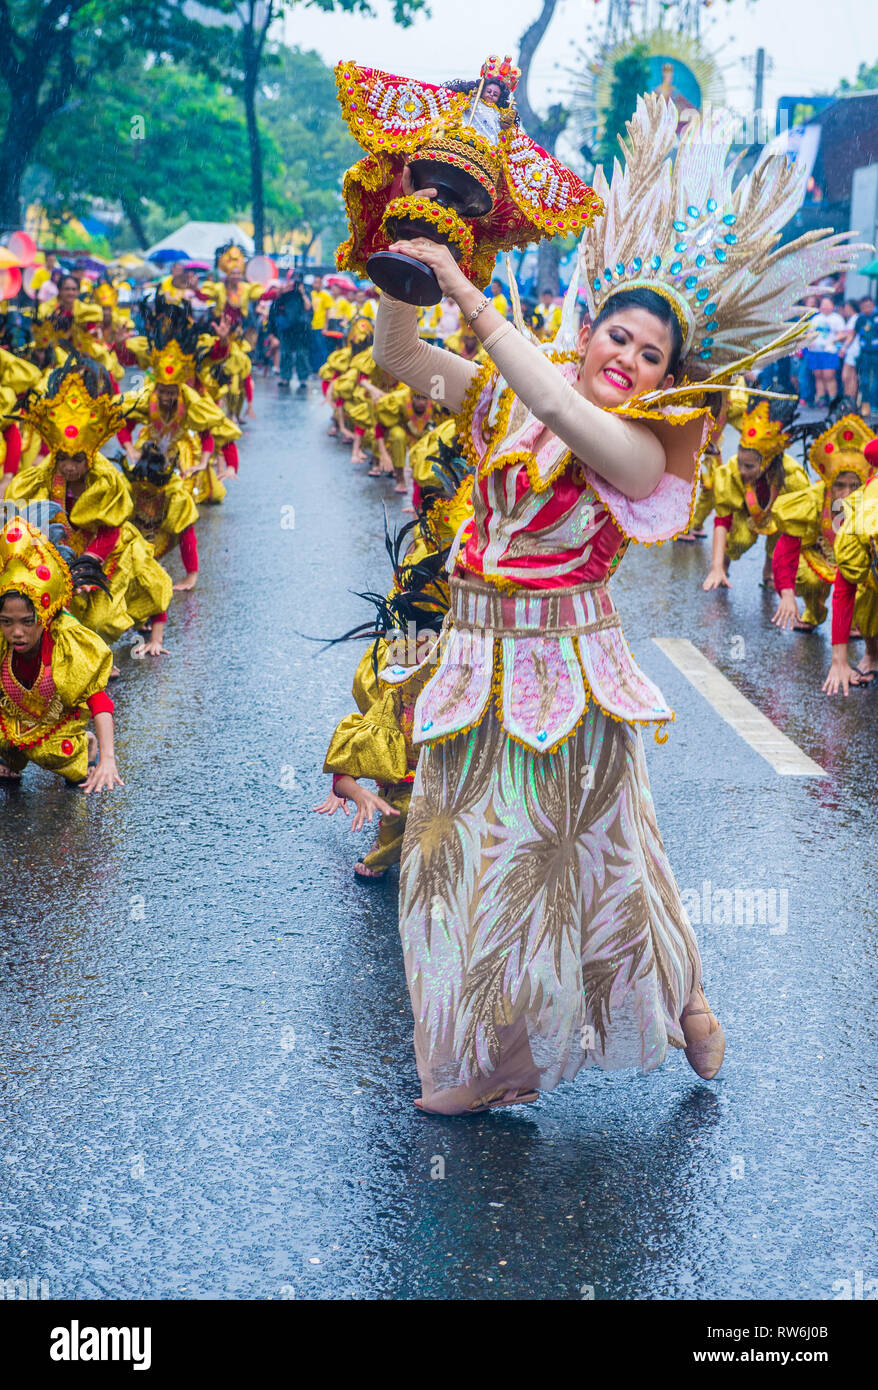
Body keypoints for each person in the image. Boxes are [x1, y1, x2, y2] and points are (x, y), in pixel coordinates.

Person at [360, 92, 863, 1116]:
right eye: (613, 337)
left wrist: (467, 288)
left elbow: (554, 403)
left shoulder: (636, 450)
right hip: (471, 661)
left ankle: (547, 1051)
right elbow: (399, 359)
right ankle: (565, 1028)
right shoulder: (506, 388)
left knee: (575, 862)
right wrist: (413, 249)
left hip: (563, 679)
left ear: (665, 379)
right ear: (587, 328)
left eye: (646, 356)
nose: (621, 360)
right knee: (450, 854)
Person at [0, 512, 122, 791]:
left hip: (57, 722)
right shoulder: (2, 638)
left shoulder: (65, 640)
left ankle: (85, 746)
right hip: (14, 715)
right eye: (7, 622)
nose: (16, 632)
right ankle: (9, 753)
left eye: (27, 622)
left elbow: (100, 702)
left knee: (55, 754)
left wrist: (108, 759)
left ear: (46, 617)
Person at [771, 413, 876, 634]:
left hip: (860, 566)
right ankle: (814, 610)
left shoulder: (871, 501)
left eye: (853, 486)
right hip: (819, 558)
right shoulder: (813, 499)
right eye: (840, 485)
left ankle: (861, 621)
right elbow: (786, 548)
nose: (846, 493)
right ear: (829, 483)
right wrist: (787, 594)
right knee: (806, 577)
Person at [702, 398, 809, 591]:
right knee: (738, 539)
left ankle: (770, 571)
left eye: (749, 466)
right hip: (745, 515)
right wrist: (715, 566)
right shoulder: (733, 470)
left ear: (767, 462)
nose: (741, 469)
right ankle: (723, 567)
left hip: (777, 518)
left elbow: (799, 523)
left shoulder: (792, 476)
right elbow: (722, 520)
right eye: (741, 462)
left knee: (781, 536)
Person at [823, 448, 878, 694]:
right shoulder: (861, 519)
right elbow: (844, 587)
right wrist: (839, 660)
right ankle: (874, 653)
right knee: (865, 596)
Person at [267, 274, 312, 390]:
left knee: (301, 354)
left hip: (301, 329)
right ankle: (285, 377)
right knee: (285, 353)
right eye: (294, 280)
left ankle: (303, 379)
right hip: (286, 329)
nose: (295, 283)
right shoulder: (285, 292)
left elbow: (308, 307)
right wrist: (283, 291)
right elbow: (274, 310)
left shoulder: (306, 292)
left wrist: (302, 293)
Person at [805, 295, 845, 407]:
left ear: (833, 306)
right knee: (818, 375)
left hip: (830, 351)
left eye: (828, 304)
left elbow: (842, 334)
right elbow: (810, 332)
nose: (825, 307)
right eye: (823, 304)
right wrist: (810, 340)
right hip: (815, 351)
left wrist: (833, 341)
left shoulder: (837, 318)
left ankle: (833, 398)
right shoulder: (816, 318)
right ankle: (820, 397)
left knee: (829, 375)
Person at [853, 294, 878, 419]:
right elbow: (855, 333)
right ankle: (865, 405)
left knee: (876, 380)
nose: (867, 308)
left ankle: (875, 405)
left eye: (869, 306)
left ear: (873, 305)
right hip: (865, 354)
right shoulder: (860, 319)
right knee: (865, 380)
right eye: (864, 307)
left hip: (877, 352)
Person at [309, 275, 334, 371]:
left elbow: (328, 313)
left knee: (322, 349)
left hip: (320, 326)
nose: (316, 284)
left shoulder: (325, 295)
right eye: (315, 282)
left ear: (321, 284)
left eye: (318, 282)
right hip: (311, 326)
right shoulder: (310, 294)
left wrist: (325, 327)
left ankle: (323, 369)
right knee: (313, 349)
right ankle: (315, 370)